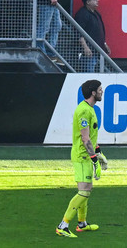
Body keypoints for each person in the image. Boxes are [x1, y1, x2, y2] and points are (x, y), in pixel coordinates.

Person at [56, 78, 104, 237]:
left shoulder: (89, 109)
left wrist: (99, 153)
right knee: (84, 191)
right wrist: (95, 160)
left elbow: (91, 137)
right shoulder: (84, 111)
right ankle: (63, 226)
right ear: (92, 92)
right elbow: (85, 139)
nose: (101, 92)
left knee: (85, 190)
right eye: (99, 90)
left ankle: (82, 224)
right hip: (82, 157)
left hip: (86, 156)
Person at [75, 0, 109, 72]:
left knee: (93, 73)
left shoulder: (96, 13)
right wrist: (85, 47)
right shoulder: (82, 14)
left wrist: (104, 44)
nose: (97, 0)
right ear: (88, 2)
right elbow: (78, 32)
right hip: (88, 53)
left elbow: (101, 30)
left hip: (97, 51)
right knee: (88, 74)